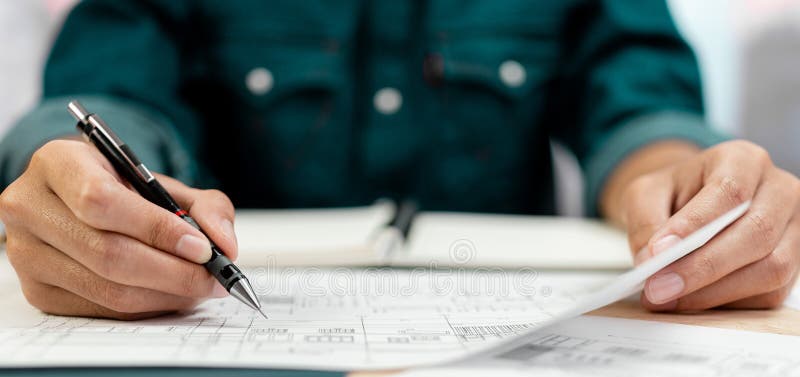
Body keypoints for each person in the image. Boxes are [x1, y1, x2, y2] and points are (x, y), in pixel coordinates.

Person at [0, 0, 798, 319]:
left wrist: (682, 192)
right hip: (208, 353)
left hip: (516, 366)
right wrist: (78, 182)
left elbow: (637, 99)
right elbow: (108, 93)